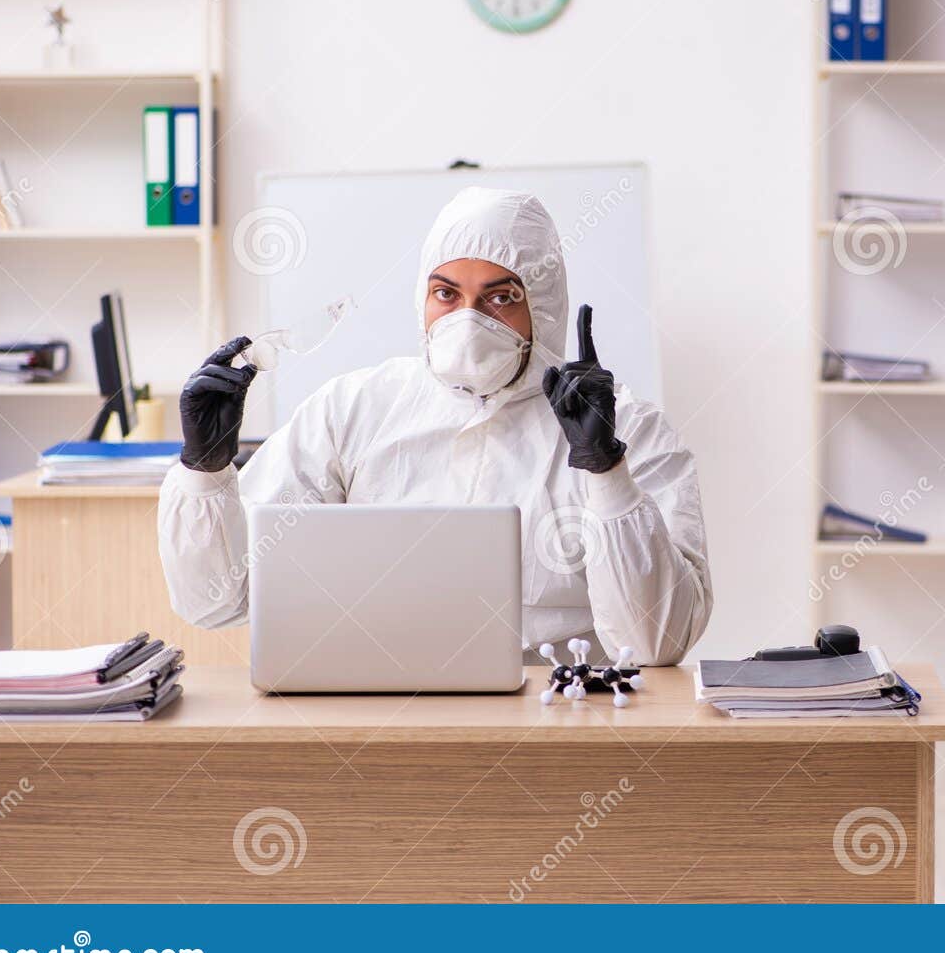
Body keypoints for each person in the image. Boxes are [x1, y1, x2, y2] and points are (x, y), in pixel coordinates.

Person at [157, 188, 712, 666]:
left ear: (543, 309)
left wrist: (605, 469)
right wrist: (205, 472)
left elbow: (654, 644)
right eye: (447, 293)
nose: (467, 320)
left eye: (500, 297)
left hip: (565, 721)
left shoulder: (627, 428)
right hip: (381, 717)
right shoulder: (354, 409)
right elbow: (216, 601)